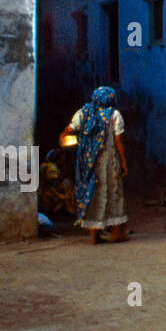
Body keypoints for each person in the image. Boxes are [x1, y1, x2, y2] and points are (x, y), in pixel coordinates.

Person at [59, 86, 129, 245]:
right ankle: (117, 232)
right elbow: (119, 140)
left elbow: (68, 131)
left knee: (92, 192)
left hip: (88, 161)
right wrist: (123, 161)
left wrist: (75, 142)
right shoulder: (114, 115)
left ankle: (94, 235)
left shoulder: (83, 113)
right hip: (108, 160)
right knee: (112, 191)